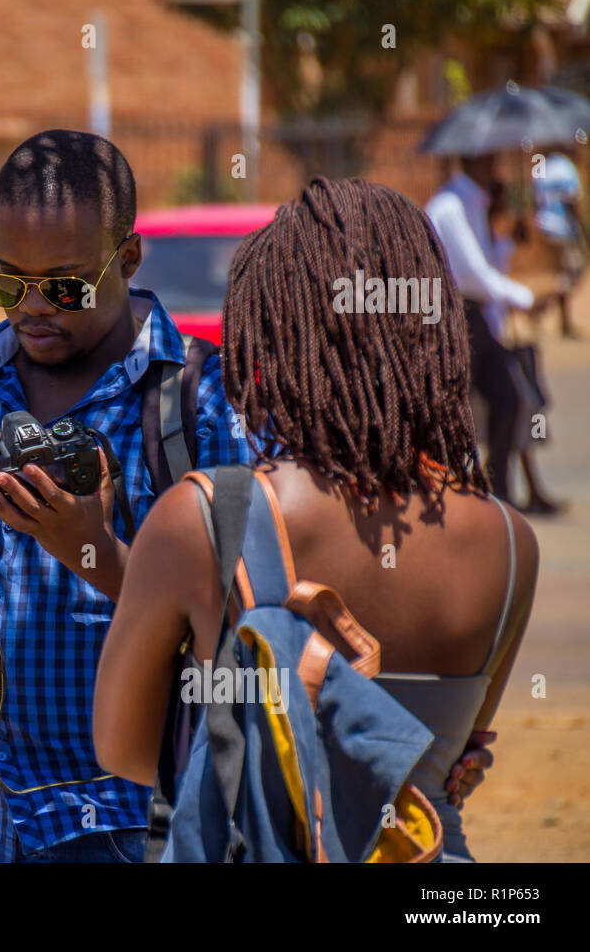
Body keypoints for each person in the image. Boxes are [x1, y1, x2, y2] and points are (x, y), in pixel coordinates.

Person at [95, 177, 539, 863]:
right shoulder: (512, 541)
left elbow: (125, 750)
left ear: (272, 337)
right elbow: (444, 766)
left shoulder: (208, 515)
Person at [0, 130, 253, 863]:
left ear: (126, 261)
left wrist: (90, 550)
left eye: (65, 287)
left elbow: (238, 636)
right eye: (10, 283)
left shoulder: (197, 401)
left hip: (130, 825)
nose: (35, 307)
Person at [424, 153, 550, 503]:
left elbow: (486, 265)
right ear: (472, 162)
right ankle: (453, 490)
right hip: (454, 317)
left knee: (508, 398)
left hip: (476, 317)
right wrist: (525, 298)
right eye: (489, 161)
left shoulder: (473, 204)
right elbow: (471, 275)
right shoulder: (450, 206)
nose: (496, 167)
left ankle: (497, 489)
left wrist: (508, 241)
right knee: (451, 408)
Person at [483, 181, 566, 515]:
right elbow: (485, 280)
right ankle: (499, 486)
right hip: (489, 341)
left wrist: (518, 231)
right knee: (517, 406)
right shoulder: (473, 236)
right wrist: (527, 301)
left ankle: (526, 487)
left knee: (523, 408)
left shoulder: (489, 237)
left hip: (503, 337)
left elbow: (509, 256)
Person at [532, 144, 585, 339]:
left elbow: (535, 198)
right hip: (563, 227)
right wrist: (581, 229)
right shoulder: (566, 167)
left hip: (544, 225)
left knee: (561, 273)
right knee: (573, 271)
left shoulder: (542, 166)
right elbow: (572, 200)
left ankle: (563, 321)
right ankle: (541, 305)